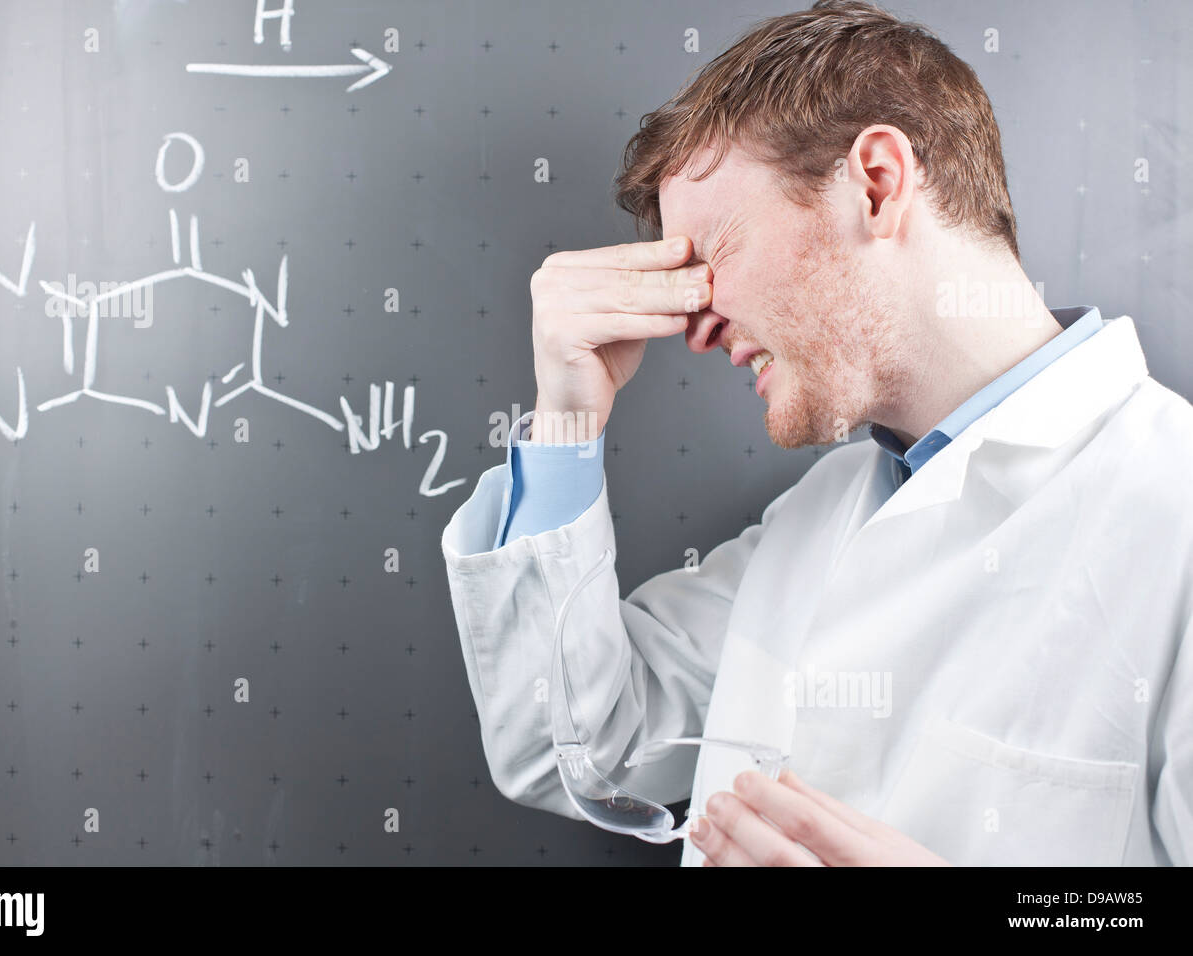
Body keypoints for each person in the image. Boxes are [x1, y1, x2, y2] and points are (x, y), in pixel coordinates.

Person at [441, 0, 1193, 866]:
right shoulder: (819, 519)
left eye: (712, 252)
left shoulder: (1167, 511)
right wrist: (566, 417)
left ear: (876, 181)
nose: (697, 323)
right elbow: (573, 750)